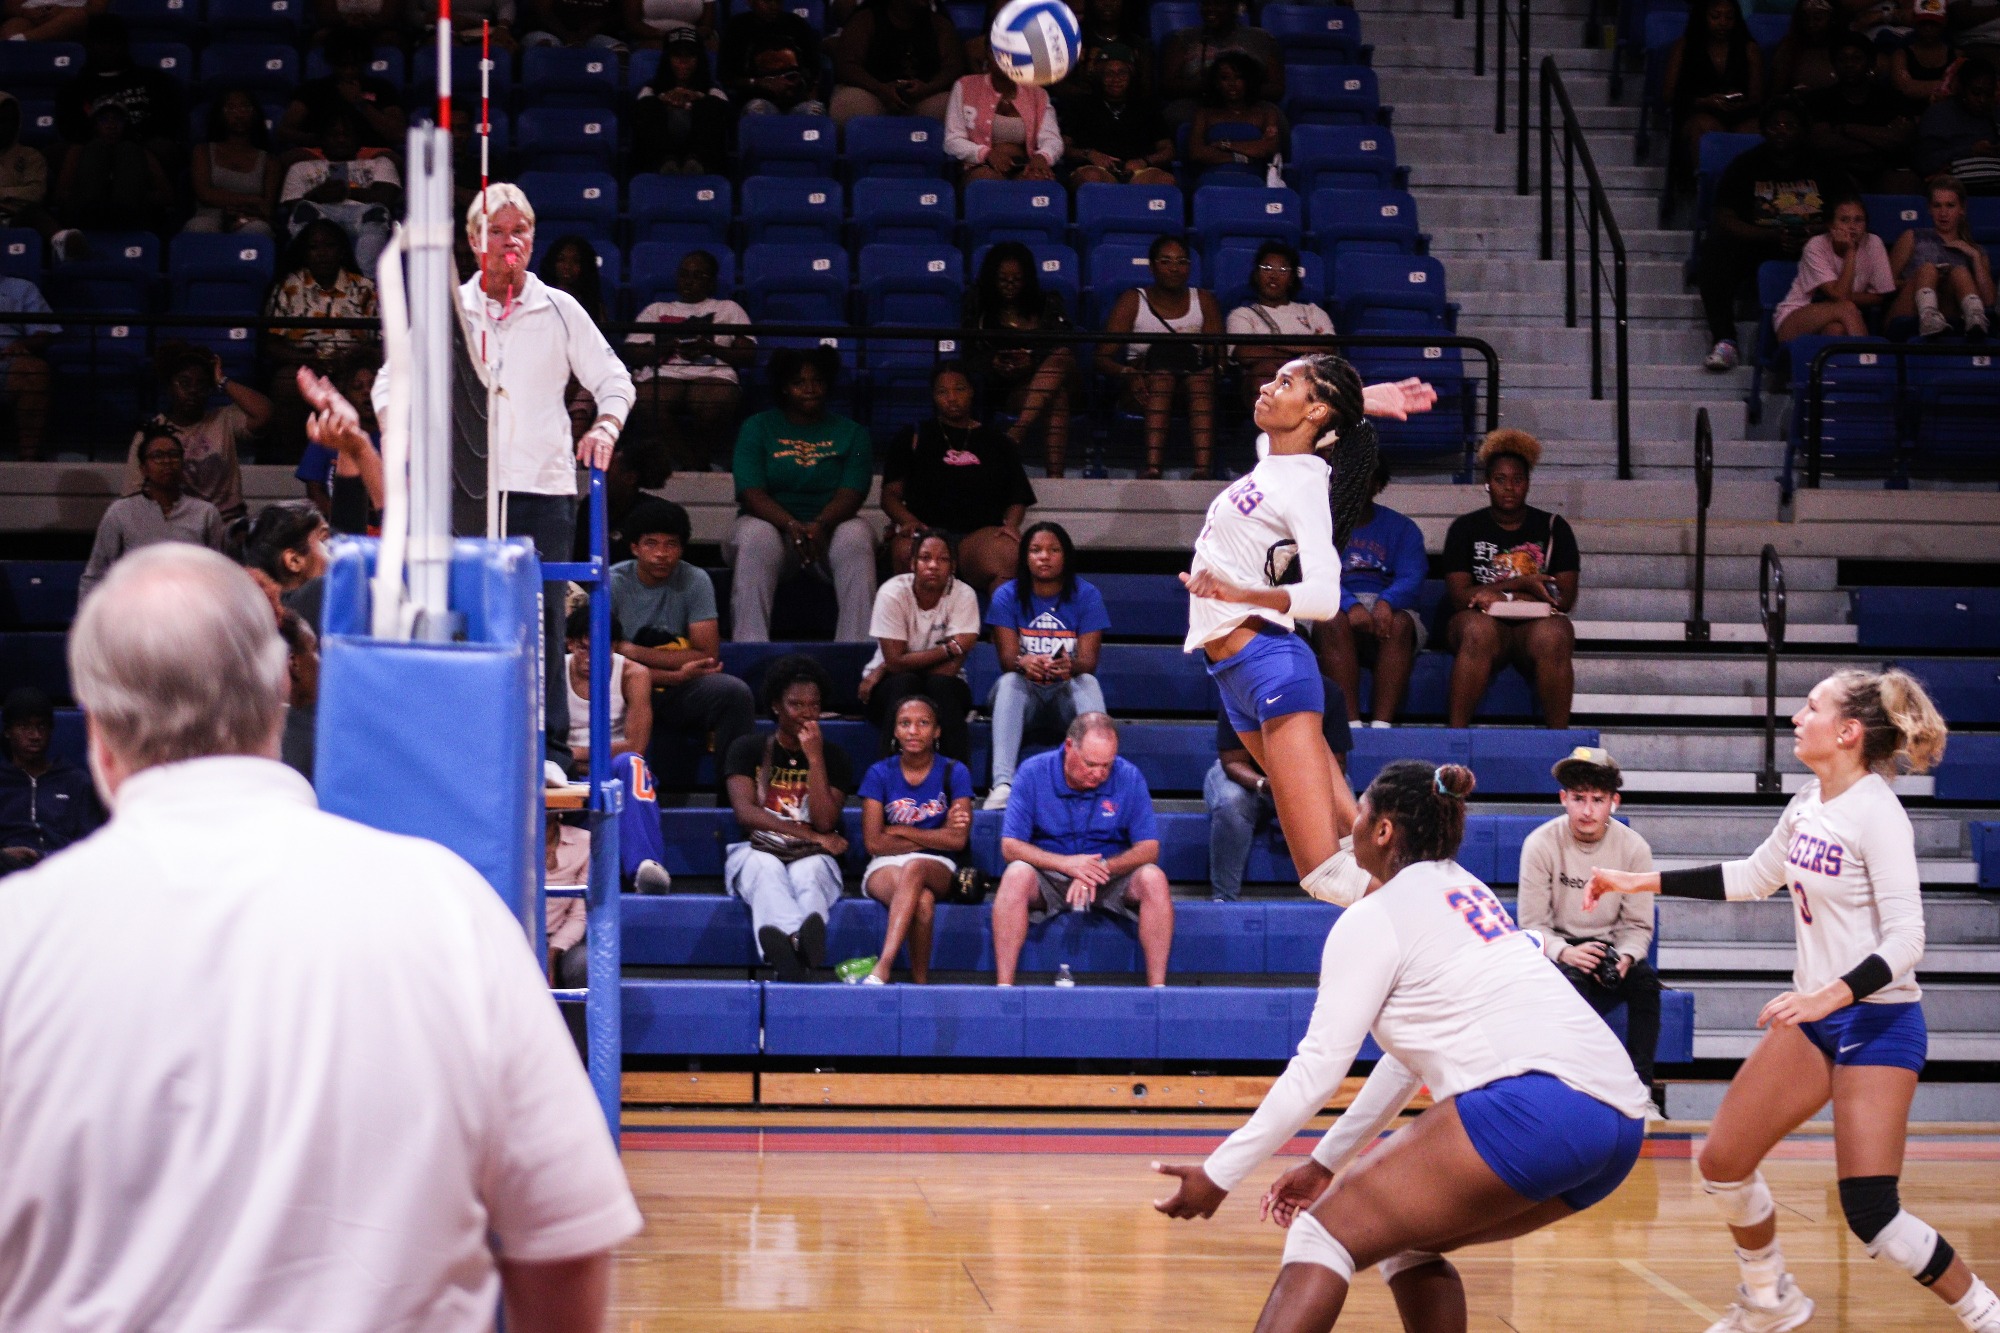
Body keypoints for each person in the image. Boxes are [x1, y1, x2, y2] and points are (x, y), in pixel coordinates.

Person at [0, 545, 642, 1329]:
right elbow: (564, 1234)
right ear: (279, 693)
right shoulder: (448, 908)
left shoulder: (19, 938)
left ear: (97, 732)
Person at [1150, 761, 1652, 1333]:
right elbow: (1402, 1066)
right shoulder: (1469, 891)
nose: (1352, 827)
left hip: (1539, 1107)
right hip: (1619, 1121)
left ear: (1384, 830)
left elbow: (1317, 1070)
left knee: (1320, 1237)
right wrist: (1324, 1163)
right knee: (1405, 1239)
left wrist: (1219, 1173)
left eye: (1360, 813)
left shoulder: (1374, 918)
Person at [1585, 670, 2000, 1333]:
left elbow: (1908, 940)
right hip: (1816, 1018)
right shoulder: (1808, 801)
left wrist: (1826, 995)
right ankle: (1769, 1299)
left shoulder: (1877, 813)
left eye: (1812, 707)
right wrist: (1636, 881)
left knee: (1872, 1211)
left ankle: (1984, 1312)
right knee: (1722, 1163)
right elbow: (1754, 876)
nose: (1798, 717)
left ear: (1849, 731)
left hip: (1878, 1020)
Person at [377, 182, 636, 769]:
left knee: (542, 619)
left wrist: (605, 427)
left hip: (543, 488)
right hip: (464, 489)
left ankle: (548, 749)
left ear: (533, 239)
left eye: (520, 230)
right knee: (459, 613)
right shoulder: (447, 310)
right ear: (474, 240)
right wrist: (401, 438)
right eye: (496, 231)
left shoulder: (560, 307)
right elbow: (391, 382)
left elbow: (615, 380)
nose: (509, 241)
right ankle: (459, 745)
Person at [1179, 354, 1374, 912]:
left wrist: (1242, 592)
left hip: (1272, 667)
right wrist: (1365, 405)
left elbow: (1326, 596)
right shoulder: (1274, 461)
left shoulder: (1306, 487)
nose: (1266, 385)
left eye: (1284, 382)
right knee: (1357, 840)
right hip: (1234, 676)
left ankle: (1452, 926)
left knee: (1326, 874)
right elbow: (1298, 432)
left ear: (1315, 411)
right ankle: (1435, 916)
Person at [1516, 746, 1663, 1103]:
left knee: (1646, 985)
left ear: (1614, 802)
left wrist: (1626, 956)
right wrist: (1565, 952)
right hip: (1560, 950)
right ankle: (1569, 1091)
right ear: (1563, 799)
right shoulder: (1540, 844)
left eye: (1597, 800)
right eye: (1578, 798)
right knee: (1567, 986)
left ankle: (1641, 1090)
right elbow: (1532, 926)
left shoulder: (1634, 848)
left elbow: (1638, 925)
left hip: (1611, 949)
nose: (1586, 810)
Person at [991, 713, 1173, 986]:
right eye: (1091, 764)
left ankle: (1158, 991)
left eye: (1106, 765)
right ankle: (1004, 988)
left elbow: (1149, 849)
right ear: (1069, 747)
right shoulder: (1032, 773)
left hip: (1108, 876)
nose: (1099, 773)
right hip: (1050, 876)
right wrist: (1067, 864)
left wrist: (1099, 869)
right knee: (1015, 874)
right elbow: (1010, 846)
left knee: (1153, 878)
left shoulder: (1129, 776)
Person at [607, 497, 757, 793]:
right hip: (625, 688)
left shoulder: (695, 580)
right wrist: (672, 674)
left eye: (671, 544)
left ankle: (734, 798)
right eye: (651, 544)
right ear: (634, 547)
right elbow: (604, 659)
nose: (661, 554)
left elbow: (707, 655)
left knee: (734, 693)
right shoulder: (614, 582)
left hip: (681, 687)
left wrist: (632, 651)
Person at [727, 346, 876, 643]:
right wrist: (791, 525)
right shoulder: (756, 427)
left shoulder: (853, 433)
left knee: (857, 536)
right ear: (784, 387)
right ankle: (750, 648)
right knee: (757, 536)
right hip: (772, 530)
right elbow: (751, 492)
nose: (810, 389)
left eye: (817, 381)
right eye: (799, 382)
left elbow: (853, 492)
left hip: (829, 534)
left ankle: (856, 651)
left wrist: (820, 524)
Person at [1696, 98, 1854, 372]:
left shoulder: (1824, 165)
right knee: (1713, 253)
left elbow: (1850, 209)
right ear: (1763, 129)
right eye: (1774, 125)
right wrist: (1768, 234)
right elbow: (1724, 217)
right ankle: (1725, 340)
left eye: (1789, 125)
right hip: (1761, 242)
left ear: (1802, 130)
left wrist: (1814, 232)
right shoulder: (1745, 164)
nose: (1781, 131)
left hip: (1816, 246)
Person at [722, 653, 853, 981]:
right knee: (765, 869)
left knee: (810, 873)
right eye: (796, 705)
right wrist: (812, 836)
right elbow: (746, 813)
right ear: (776, 706)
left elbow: (825, 822)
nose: (807, 713)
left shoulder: (834, 757)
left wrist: (815, 758)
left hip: (812, 854)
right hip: (757, 848)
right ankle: (799, 944)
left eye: (814, 705)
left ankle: (790, 953)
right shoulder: (747, 748)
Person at [1439, 429, 1578, 730]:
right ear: (1488, 483)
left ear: (1528, 483)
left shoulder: (1553, 527)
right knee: (1478, 630)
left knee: (1556, 633)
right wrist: (1519, 585)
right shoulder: (1466, 527)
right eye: (1500, 480)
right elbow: (1460, 597)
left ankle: (1558, 740)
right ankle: (1456, 737)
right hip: (1483, 623)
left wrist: (1505, 595)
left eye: (1517, 480)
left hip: (1533, 627)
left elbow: (1564, 599)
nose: (1509, 488)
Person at [982, 520, 1107, 811]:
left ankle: (1101, 778)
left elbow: (1089, 662)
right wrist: (1023, 661)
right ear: (1025, 557)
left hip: (1064, 695)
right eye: (1036, 550)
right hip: (1024, 696)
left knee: (1088, 682)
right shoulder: (1006, 595)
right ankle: (1002, 784)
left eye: (1053, 550)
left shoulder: (1087, 595)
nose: (1044, 556)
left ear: (1066, 556)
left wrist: (1070, 666)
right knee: (1010, 681)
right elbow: (1007, 660)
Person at [879, 361, 1036, 590]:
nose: (952, 398)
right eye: (943, 392)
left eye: (959, 389)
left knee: (1010, 551)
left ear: (971, 391)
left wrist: (1011, 525)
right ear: (934, 396)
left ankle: (1000, 615)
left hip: (978, 539)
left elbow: (1017, 497)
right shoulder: (913, 436)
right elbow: (890, 495)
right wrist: (908, 521)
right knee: (906, 549)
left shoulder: (997, 441)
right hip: (927, 532)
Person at [1205, 671, 1354, 902]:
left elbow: (1338, 763)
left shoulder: (1329, 691)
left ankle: (1342, 893)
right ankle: (1224, 898)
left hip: (1306, 778)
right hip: (1252, 780)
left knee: (1343, 794)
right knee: (1231, 801)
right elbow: (1233, 761)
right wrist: (1266, 784)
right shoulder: (1239, 689)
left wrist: (1302, 786)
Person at [855, 694, 974, 984]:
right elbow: (874, 843)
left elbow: (957, 841)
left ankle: (884, 964)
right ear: (895, 731)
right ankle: (920, 984)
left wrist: (902, 830)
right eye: (905, 723)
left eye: (923, 723)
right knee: (922, 901)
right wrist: (937, 834)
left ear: (937, 731)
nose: (913, 731)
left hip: (938, 865)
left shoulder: (955, 771)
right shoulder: (879, 773)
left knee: (916, 867)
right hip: (884, 864)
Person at [561, 605, 675, 895]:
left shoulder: (633, 674)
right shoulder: (553, 672)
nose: (590, 658)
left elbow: (637, 745)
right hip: (566, 773)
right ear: (570, 644)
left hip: (616, 772)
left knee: (632, 763)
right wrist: (568, 758)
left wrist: (574, 753)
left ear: (613, 647)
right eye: (583, 648)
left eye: (600, 649)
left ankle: (645, 868)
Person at [1099, 235, 1222, 479]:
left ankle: (1202, 471)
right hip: (1144, 383)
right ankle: (1153, 468)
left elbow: (1219, 359)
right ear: (1152, 266)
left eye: (1181, 261)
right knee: (1162, 380)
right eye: (1166, 261)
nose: (1174, 268)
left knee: (1199, 384)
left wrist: (1213, 371)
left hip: (1189, 383)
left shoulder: (1204, 300)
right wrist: (1128, 373)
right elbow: (1102, 358)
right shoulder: (1132, 300)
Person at [1316, 459, 1425, 729]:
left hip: (1387, 605)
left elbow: (1412, 576)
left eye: (1362, 478)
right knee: (1331, 620)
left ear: (1377, 485)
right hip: (1331, 603)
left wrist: (1387, 602)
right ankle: (1350, 726)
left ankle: (1381, 727)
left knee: (1400, 624)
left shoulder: (1402, 527)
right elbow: (1315, 574)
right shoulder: (1318, 525)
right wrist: (1350, 605)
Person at [626, 248, 754, 471]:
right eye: (684, 274)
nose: (689, 280)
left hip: (714, 373)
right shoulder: (657, 309)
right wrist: (665, 347)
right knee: (646, 401)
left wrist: (711, 349)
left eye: (698, 275)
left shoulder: (728, 308)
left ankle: (690, 465)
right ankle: (696, 467)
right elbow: (631, 352)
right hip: (665, 373)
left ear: (711, 281)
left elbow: (749, 354)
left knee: (714, 404)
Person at [859, 528, 981, 763]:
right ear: (913, 563)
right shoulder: (892, 593)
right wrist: (948, 649)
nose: (933, 565)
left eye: (942, 559)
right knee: (905, 684)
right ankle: (889, 777)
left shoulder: (964, 595)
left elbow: (948, 670)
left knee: (939, 686)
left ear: (953, 566)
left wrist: (890, 666)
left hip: (944, 688)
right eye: (925, 558)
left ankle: (957, 780)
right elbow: (895, 662)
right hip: (888, 690)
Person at [266, 219, 382, 462]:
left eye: (329, 246)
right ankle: (296, 459)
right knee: (285, 383)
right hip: (306, 365)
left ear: (341, 251)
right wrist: (307, 360)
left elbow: (381, 343)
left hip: (353, 366)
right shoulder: (289, 286)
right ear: (305, 252)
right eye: (314, 247)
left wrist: (352, 360)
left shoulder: (364, 288)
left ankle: (362, 455)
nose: (322, 253)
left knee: (366, 382)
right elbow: (272, 344)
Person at [126, 342, 270, 536]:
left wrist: (221, 380)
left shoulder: (223, 419)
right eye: (185, 383)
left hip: (226, 524)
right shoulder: (151, 433)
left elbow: (264, 413)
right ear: (170, 387)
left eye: (201, 384)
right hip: (177, 527)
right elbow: (133, 495)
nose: (193, 390)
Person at [962, 241, 1075, 476]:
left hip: (1051, 374)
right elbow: (969, 355)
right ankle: (1056, 477)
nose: (1010, 285)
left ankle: (1019, 429)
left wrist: (1032, 360)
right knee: (1057, 397)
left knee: (1062, 355)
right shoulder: (979, 306)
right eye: (1003, 279)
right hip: (1010, 388)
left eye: (1017, 279)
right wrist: (993, 362)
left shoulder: (1048, 303)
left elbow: (1067, 343)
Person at [80, 428, 226, 598]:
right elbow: (96, 574)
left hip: (190, 604)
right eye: (158, 456)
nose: (167, 461)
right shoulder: (121, 512)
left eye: (173, 455)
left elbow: (219, 572)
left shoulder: (206, 513)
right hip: (135, 604)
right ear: (144, 468)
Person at [281, 106, 403, 278]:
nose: (340, 140)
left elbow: (385, 199)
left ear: (358, 139)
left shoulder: (380, 163)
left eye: (347, 135)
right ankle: (308, 278)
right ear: (322, 139)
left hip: (362, 214)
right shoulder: (300, 168)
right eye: (334, 135)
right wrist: (317, 195)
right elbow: (293, 206)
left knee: (377, 212)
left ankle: (364, 280)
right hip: (320, 216)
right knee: (304, 211)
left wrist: (346, 192)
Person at [0, 686, 103, 876]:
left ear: (51, 730)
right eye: (24, 727)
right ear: (8, 731)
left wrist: (49, 857)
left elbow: (93, 841)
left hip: (64, 871)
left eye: (41, 727)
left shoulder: (76, 781)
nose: (35, 735)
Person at [1227, 240, 1337, 413]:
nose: (1274, 275)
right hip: (1271, 381)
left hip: (1310, 378)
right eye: (1267, 268)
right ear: (1256, 274)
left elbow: (1329, 348)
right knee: (1264, 371)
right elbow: (1245, 353)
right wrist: (1302, 351)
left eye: (1283, 269)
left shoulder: (1312, 311)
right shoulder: (1242, 314)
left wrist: (1272, 346)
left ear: (1292, 278)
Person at [1665, 0, 1765, 186]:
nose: (1722, 23)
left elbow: (1757, 97)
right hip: (1697, 111)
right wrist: (1705, 101)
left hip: (1740, 114)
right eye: (1715, 16)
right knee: (1704, 126)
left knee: (1756, 128)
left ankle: (1748, 189)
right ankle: (1705, 188)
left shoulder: (1749, 49)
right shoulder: (1684, 47)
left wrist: (1737, 102)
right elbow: (1669, 94)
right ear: (1703, 17)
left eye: (1729, 17)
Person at [1804, 34, 1920, 193]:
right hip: (1838, 171)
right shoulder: (1819, 100)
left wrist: (1846, 129)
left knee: (1906, 182)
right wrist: (1882, 138)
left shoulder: (1892, 98)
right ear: (1834, 64)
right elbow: (1822, 144)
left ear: (1871, 62)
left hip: (1886, 171)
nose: (1849, 64)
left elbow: (1901, 139)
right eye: (1842, 59)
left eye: (1857, 58)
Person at [1774, 194, 1896, 342]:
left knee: (1836, 330)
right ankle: (1868, 355)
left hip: (1841, 319)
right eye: (1844, 220)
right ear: (1831, 225)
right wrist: (1851, 251)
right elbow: (1841, 297)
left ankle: (1853, 357)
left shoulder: (1874, 242)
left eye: (1858, 220)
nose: (1852, 226)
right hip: (1795, 317)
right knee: (1846, 308)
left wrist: (1845, 298)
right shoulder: (1815, 246)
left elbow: (1878, 297)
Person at [1888, 174, 1995, 338]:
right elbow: (1886, 286)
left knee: (1959, 272)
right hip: (1908, 312)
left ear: (1962, 209)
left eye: (1950, 205)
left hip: (1951, 314)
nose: (1943, 213)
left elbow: (1989, 301)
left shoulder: (1976, 251)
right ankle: (1928, 318)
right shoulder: (1912, 237)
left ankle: (1976, 319)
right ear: (1929, 209)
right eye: (1937, 206)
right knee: (1928, 269)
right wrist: (1924, 280)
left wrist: (1975, 257)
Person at [830, 0, 963, 126]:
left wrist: (928, 88)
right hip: (873, 94)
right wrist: (880, 89)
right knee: (848, 103)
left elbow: (953, 68)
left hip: (923, 97)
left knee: (949, 105)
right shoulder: (865, 19)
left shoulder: (940, 24)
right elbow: (846, 65)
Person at [1061, 42, 1174, 186]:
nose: (1116, 78)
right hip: (1096, 170)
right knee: (1090, 177)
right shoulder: (1081, 105)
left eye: (1122, 72)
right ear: (1099, 75)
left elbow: (1167, 150)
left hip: (1138, 172)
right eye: (1108, 73)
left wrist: (1144, 161)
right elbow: (1064, 147)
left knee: (1165, 180)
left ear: (1132, 74)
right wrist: (1088, 154)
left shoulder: (1147, 106)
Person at [279, 28, 407, 153]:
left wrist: (361, 104)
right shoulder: (311, 89)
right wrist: (321, 140)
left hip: (369, 154)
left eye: (354, 64)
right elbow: (284, 131)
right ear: (332, 62)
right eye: (342, 64)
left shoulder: (382, 88)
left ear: (364, 62)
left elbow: (399, 134)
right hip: (321, 154)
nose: (349, 71)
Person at [1159, 0, 1284, 125]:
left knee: (1276, 119)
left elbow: (1276, 88)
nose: (1210, 9)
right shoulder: (1183, 39)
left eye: (1218, 4)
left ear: (1234, 7)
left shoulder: (1262, 39)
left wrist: (1241, 89)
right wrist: (1208, 86)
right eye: (1206, 4)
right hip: (1196, 103)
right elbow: (1168, 86)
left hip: (1250, 105)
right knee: (1174, 116)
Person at [946, 55, 1064, 184]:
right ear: (988, 55)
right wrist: (986, 154)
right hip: (979, 165)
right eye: (998, 52)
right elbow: (952, 140)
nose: (1005, 59)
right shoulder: (965, 85)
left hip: (1024, 165)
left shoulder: (1038, 94)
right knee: (987, 179)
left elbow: (1052, 139)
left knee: (1038, 180)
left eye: (1010, 53)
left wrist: (1043, 156)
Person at [631, 27, 734, 175]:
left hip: (702, 157)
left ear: (699, 59)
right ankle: (665, 162)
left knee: (712, 105)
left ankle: (696, 161)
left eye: (690, 55)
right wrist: (663, 99)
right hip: (660, 155)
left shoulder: (712, 88)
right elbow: (637, 111)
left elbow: (728, 115)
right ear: (668, 59)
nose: (683, 62)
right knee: (649, 105)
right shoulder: (651, 88)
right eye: (677, 55)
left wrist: (698, 97)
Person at [537, 234, 609, 443]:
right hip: (545, 373)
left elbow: (598, 352)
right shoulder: (537, 300)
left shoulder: (594, 306)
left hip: (582, 376)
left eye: (575, 261)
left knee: (581, 412)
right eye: (561, 260)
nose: (567, 267)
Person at [182, 88, 281, 237]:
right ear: (220, 114)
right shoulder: (202, 151)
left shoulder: (270, 161)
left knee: (257, 230)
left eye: (245, 107)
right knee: (198, 227)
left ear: (255, 113)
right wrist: (252, 199)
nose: (239, 114)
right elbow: (205, 194)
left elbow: (266, 207)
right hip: (208, 217)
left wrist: (246, 210)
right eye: (231, 108)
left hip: (250, 218)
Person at [1188, 52, 1282, 178]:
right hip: (1212, 182)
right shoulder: (1204, 114)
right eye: (1225, 78)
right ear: (1216, 82)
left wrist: (1224, 145)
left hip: (1254, 182)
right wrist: (1241, 157)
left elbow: (1268, 149)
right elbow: (1196, 153)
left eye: (1239, 77)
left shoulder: (1267, 114)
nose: (1232, 83)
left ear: (1248, 81)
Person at [717, 0, 823, 110]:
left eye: (778, 1)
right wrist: (759, 83)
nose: (773, 6)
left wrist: (807, 92)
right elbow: (727, 77)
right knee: (757, 108)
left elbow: (814, 70)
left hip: (797, 100)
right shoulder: (737, 27)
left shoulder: (797, 24)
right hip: (756, 99)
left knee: (813, 110)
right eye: (767, 1)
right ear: (750, 2)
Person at [1917, 63, 1999, 194]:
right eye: (1976, 93)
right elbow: (1925, 161)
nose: (1982, 100)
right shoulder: (1939, 115)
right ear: (1962, 89)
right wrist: (1970, 150)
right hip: (1952, 190)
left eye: (1988, 94)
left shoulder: (1995, 116)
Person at [0, 269, 55, 460]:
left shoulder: (22, 288)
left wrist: (22, 345)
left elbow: (42, 333)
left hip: (6, 360)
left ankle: (28, 460)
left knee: (33, 372)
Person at [0, 93, 56, 242]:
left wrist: (2, 194)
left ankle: (63, 242)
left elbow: (35, 194)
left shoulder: (31, 156)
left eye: (12, 120)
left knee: (34, 212)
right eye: (1, 120)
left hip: (16, 219)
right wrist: (14, 196)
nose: (7, 126)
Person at [1893, 0, 1957, 107]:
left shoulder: (1956, 55)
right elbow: (1904, 87)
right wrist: (1947, 86)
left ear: (1944, 22)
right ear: (1915, 21)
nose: (1928, 28)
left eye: (1933, 23)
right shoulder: (1901, 55)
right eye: (1923, 23)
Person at [1771, 0, 1837, 96]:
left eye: (1817, 18)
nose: (1811, 24)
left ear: (1832, 19)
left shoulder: (1844, 46)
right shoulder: (1789, 47)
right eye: (1806, 18)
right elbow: (1777, 91)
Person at [523, 0, 628, 50]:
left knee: (620, 51)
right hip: (549, 33)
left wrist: (586, 34)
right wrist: (568, 37)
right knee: (544, 48)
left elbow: (613, 15)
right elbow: (543, 13)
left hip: (591, 36)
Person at [623, 0, 712, 47]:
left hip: (691, 40)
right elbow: (632, 23)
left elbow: (706, 26)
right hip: (648, 38)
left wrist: (684, 38)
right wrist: (665, 36)